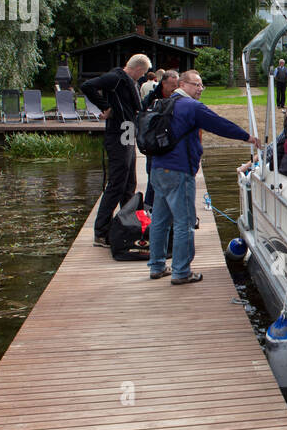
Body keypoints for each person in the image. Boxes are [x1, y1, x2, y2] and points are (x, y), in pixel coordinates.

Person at [147, 70, 260, 285]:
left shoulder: (164, 103)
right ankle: (181, 271)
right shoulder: (191, 106)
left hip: (158, 169)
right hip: (179, 171)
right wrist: (247, 137)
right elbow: (219, 124)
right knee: (185, 222)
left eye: (202, 85)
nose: (200, 89)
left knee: (160, 220)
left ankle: (157, 265)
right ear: (182, 84)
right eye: (196, 84)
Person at [82, 53, 150, 248]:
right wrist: (105, 107)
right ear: (137, 69)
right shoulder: (116, 77)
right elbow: (87, 86)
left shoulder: (129, 82)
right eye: (143, 73)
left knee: (130, 182)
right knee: (117, 183)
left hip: (127, 131)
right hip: (118, 132)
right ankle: (101, 232)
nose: (142, 76)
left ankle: (125, 225)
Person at [142, 70, 179, 210]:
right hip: (153, 142)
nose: (174, 89)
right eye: (172, 86)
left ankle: (169, 207)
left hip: (171, 142)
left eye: (177, 86)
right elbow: (143, 117)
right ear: (163, 83)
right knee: (153, 174)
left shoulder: (178, 98)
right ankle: (148, 207)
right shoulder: (152, 98)